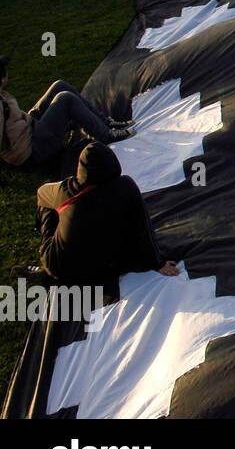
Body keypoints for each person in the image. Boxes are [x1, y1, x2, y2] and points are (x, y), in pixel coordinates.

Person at [33, 143, 178, 287]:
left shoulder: (66, 192)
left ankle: (47, 236)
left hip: (62, 269)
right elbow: (142, 228)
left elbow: (42, 193)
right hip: (105, 265)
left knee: (50, 208)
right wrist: (157, 262)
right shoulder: (126, 187)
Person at [0, 58, 130, 171]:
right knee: (65, 99)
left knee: (59, 85)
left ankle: (105, 122)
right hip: (32, 149)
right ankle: (106, 135)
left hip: (28, 128)